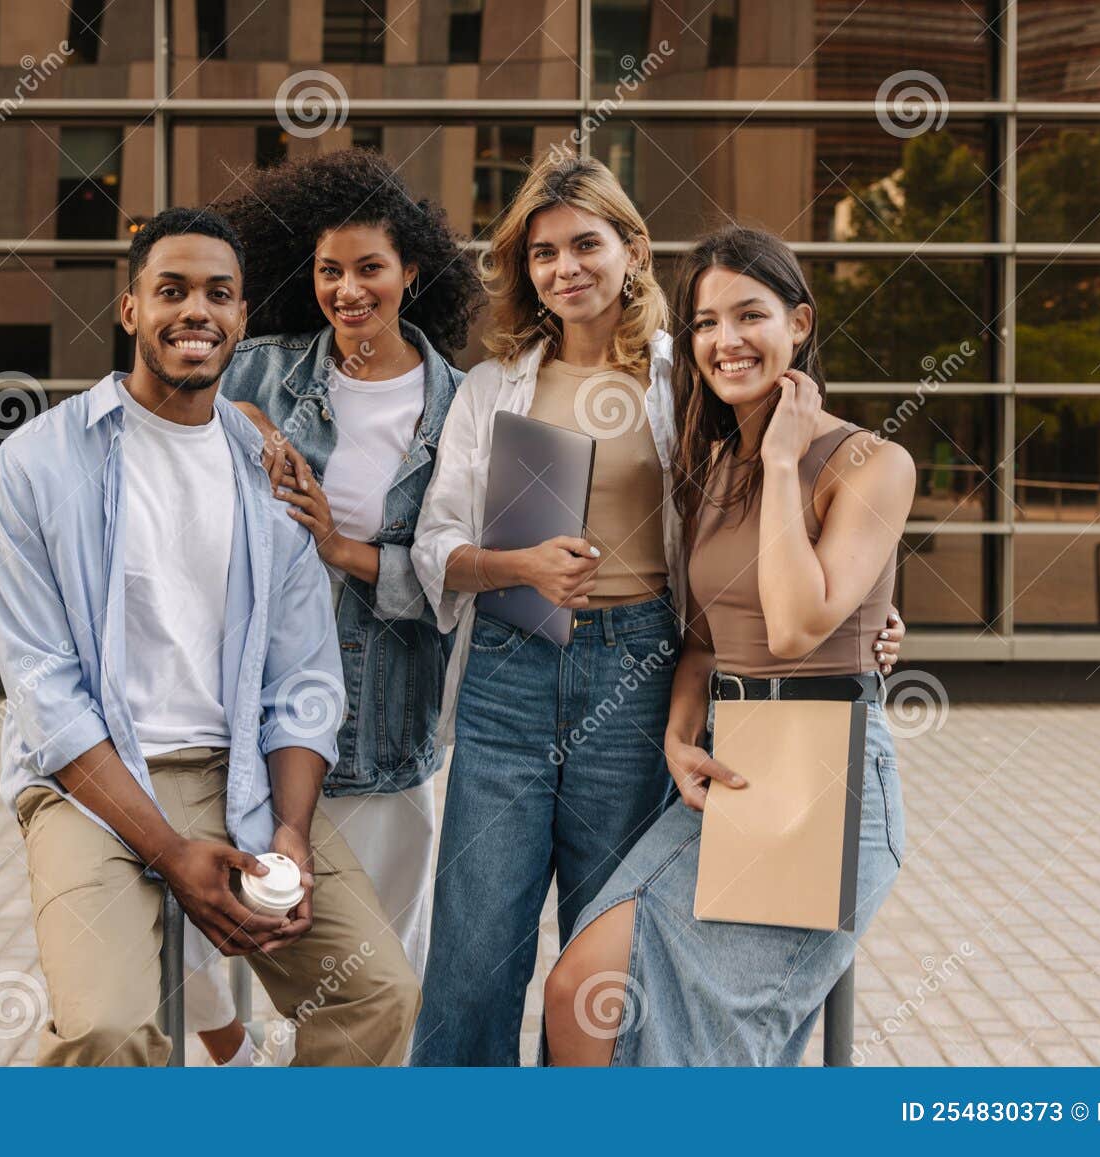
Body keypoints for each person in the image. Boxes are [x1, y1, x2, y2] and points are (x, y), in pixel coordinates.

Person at [408, 153, 904, 1065]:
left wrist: (867, 614)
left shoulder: (689, 380)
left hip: (637, 666)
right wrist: (515, 561)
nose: (566, 268)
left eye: (586, 244)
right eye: (544, 252)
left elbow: (775, 515)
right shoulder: (492, 387)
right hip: (512, 670)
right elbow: (433, 547)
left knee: (610, 954)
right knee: (476, 951)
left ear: (631, 249)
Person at [0, 206, 419, 1067]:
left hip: (238, 775)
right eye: (170, 290)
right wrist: (171, 852)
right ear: (130, 308)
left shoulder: (269, 472)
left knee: (377, 996)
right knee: (108, 1031)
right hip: (89, 789)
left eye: (219, 293)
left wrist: (290, 830)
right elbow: (46, 700)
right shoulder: (36, 464)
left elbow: (304, 680)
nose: (196, 312)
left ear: (242, 317)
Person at [542, 223, 913, 1066]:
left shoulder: (872, 462)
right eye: (705, 322)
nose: (724, 341)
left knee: (708, 1042)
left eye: (750, 315)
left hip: (829, 774)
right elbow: (705, 637)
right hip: (732, 764)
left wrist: (782, 461)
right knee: (578, 990)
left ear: (801, 324)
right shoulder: (709, 466)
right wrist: (679, 734)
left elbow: (795, 626)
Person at [161, 150, 482, 1066]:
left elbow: (457, 577)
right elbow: (153, 454)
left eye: (370, 268)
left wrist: (344, 549)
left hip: (385, 739)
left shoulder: (461, 409)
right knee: (227, 954)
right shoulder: (252, 376)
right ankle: (236, 1062)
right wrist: (243, 426)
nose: (349, 290)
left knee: (376, 983)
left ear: (412, 272)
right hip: (252, 726)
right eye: (329, 269)